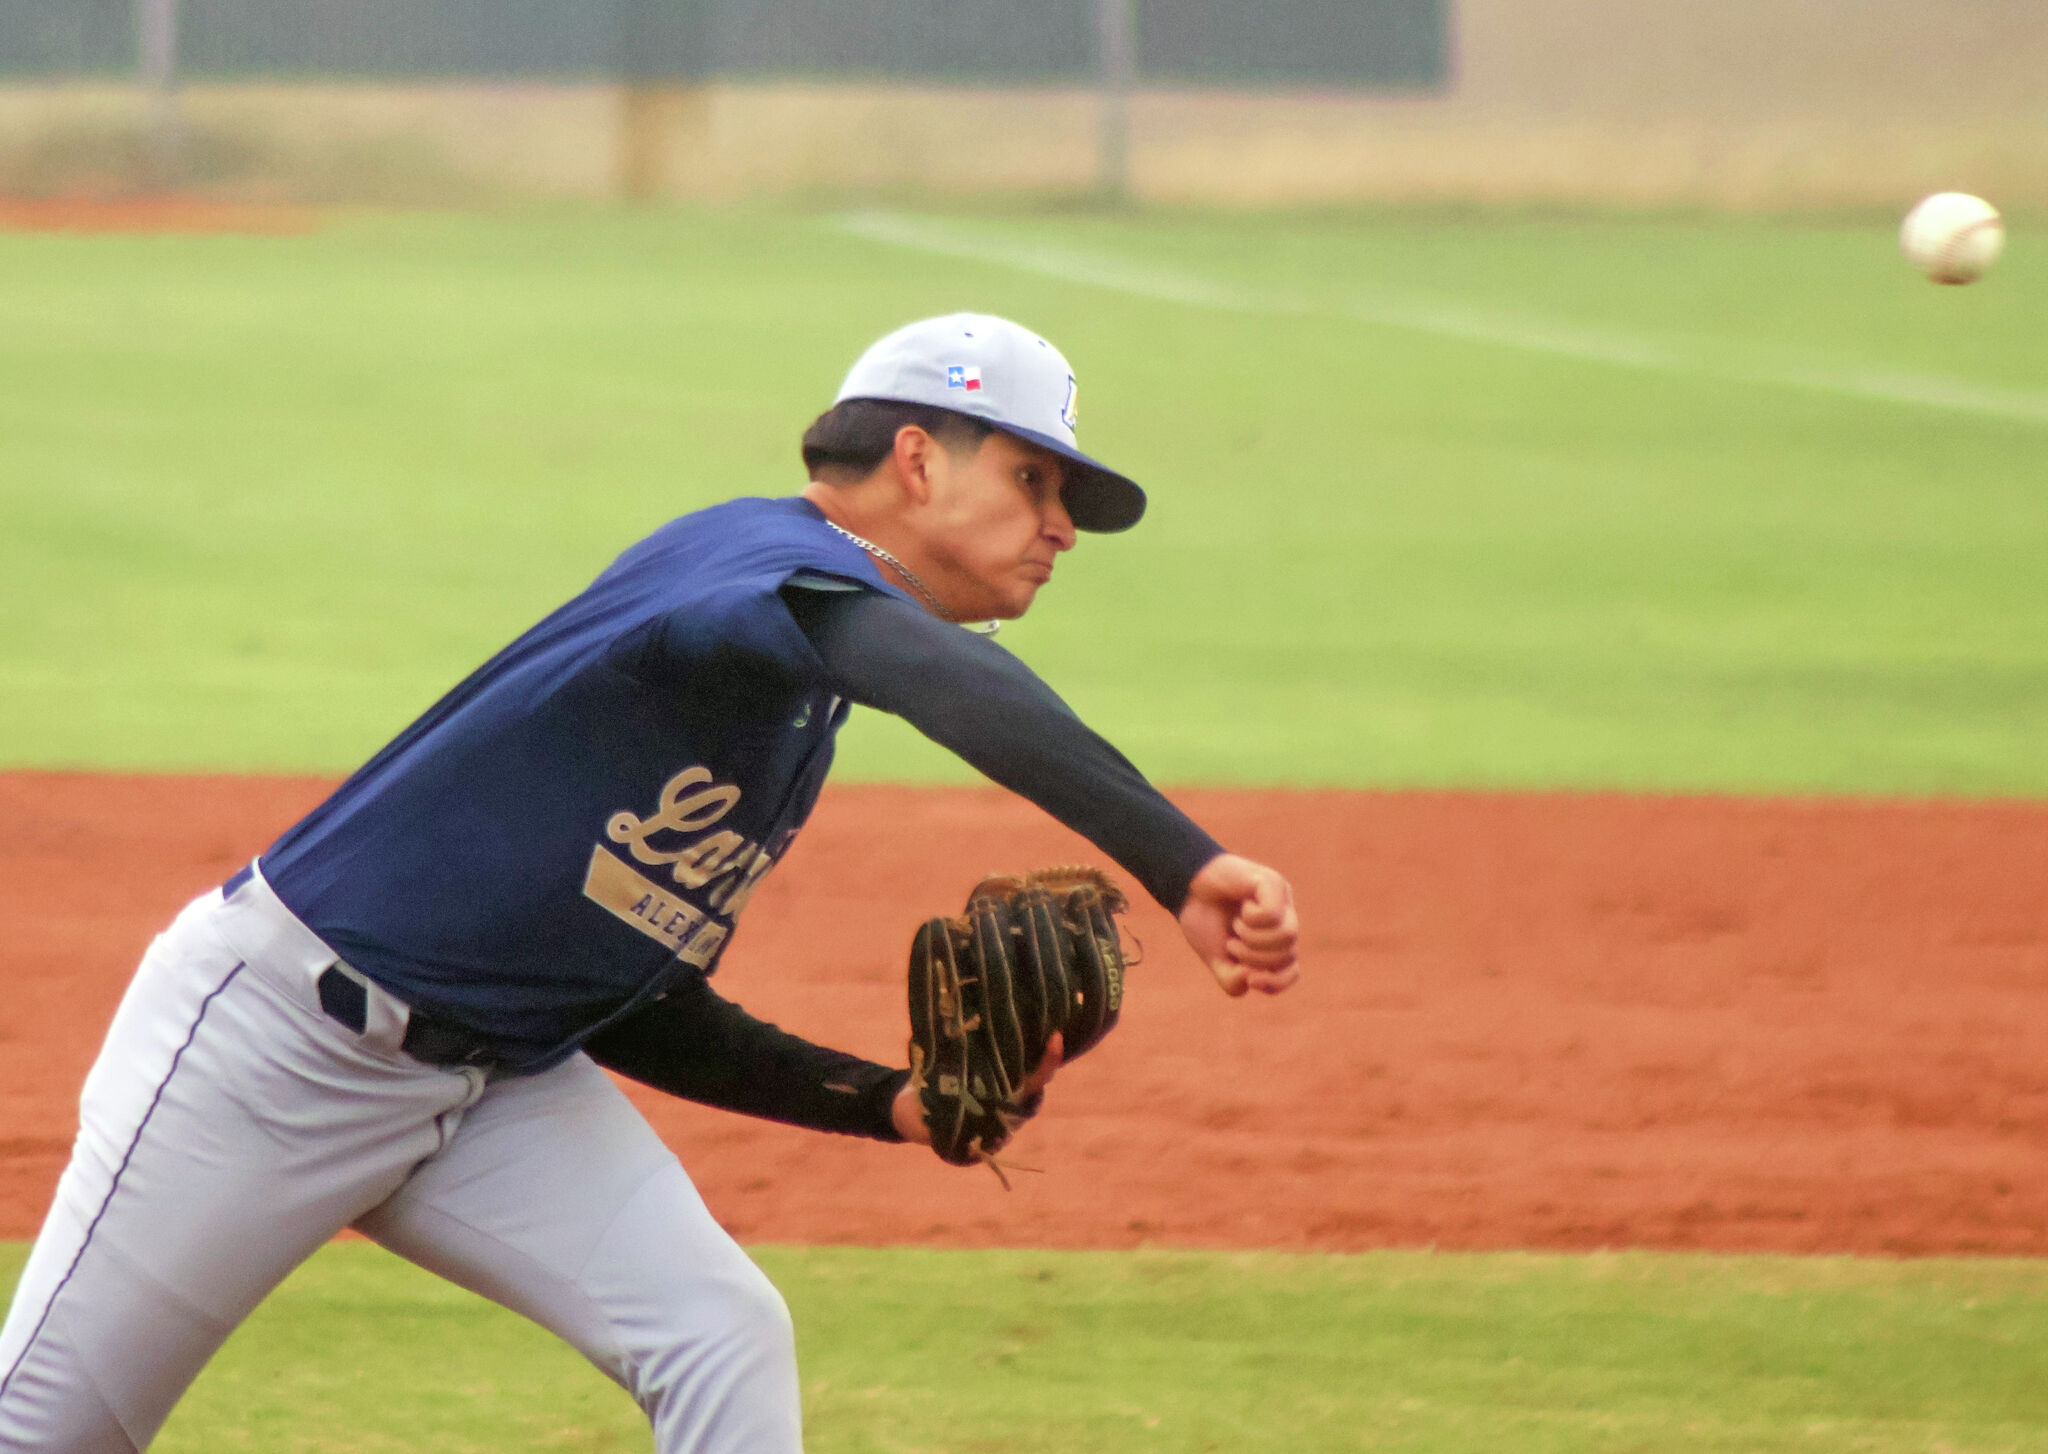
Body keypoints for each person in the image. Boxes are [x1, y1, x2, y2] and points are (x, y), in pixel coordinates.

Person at [0, 313, 1301, 1452]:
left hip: (495, 1082)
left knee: (722, 1331)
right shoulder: (748, 571)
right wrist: (1180, 862)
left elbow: (630, 996)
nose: (1063, 525)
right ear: (918, 458)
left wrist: (887, 1104)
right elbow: (948, 679)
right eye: (1033, 478)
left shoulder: (789, 713)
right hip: (275, 1047)